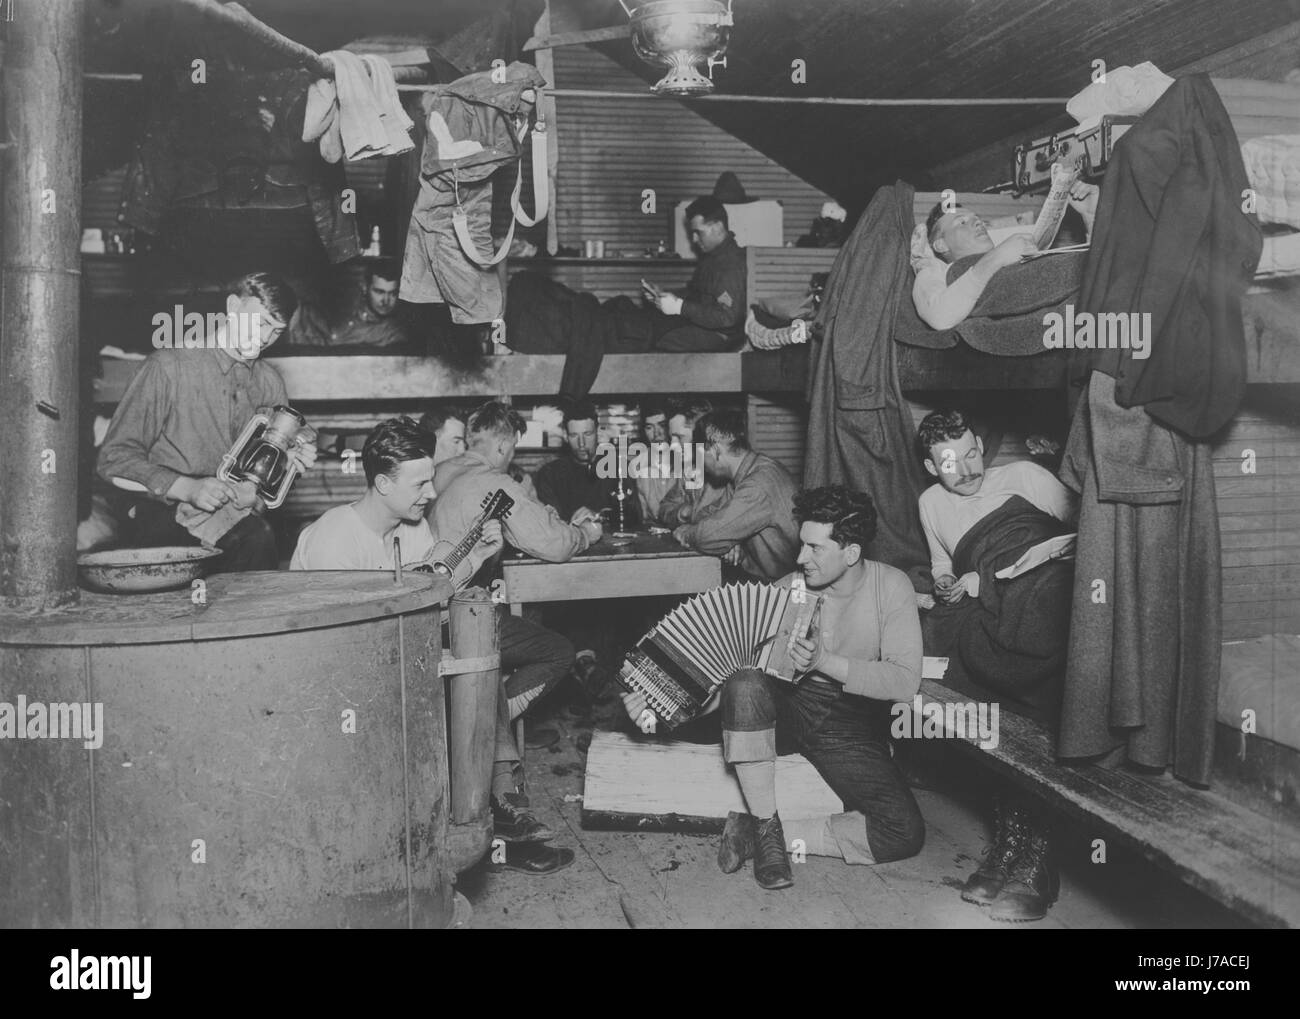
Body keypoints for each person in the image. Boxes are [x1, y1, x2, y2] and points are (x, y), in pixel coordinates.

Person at [290, 417, 573, 875]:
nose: (432, 492)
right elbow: (342, 647)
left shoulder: (413, 528)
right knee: (472, 686)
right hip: (341, 692)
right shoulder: (334, 539)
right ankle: (494, 825)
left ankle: (490, 825)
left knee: (479, 664)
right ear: (383, 483)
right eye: (420, 483)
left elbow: (431, 603)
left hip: (399, 661)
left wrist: (476, 558)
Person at [622, 486, 926, 890]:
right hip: (786, 709)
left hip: (847, 724)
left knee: (903, 832)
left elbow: (905, 682)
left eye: (815, 548)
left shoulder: (891, 586)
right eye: (802, 545)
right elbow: (731, 684)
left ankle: (758, 833)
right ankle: (767, 829)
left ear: (851, 553)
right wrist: (660, 709)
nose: (801, 558)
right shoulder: (787, 591)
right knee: (746, 680)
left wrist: (824, 661)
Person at [916, 408, 1078, 922]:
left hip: (1042, 584)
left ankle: (1038, 858)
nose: (967, 470)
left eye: (972, 454)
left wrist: (996, 576)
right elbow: (942, 562)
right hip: (986, 601)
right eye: (951, 463)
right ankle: (1012, 841)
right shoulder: (931, 503)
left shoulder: (1026, 476)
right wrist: (947, 580)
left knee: (1045, 611)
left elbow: (1087, 537)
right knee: (956, 648)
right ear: (930, 467)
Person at [97, 271, 318, 571]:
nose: (265, 338)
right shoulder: (168, 367)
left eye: (276, 331)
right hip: (163, 517)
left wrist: (290, 461)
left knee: (258, 541)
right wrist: (186, 488)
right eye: (260, 323)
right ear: (233, 307)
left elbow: (270, 470)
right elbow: (113, 460)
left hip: (237, 522)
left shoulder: (270, 383)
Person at [433, 401, 597, 720]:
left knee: (528, 614)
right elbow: (555, 544)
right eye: (512, 449)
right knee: (559, 652)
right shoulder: (496, 482)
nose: (511, 457)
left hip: (429, 609)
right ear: (503, 445)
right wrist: (586, 533)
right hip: (458, 616)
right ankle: (487, 726)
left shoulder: (440, 471)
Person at [912, 183, 1099, 331]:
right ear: (941, 245)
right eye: (961, 222)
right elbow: (939, 316)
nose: (977, 222)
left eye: (977, 219)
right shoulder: (936, 271)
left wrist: (1092, 219)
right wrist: (997, 257)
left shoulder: (1015, 254)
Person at [661, 408, 800, 581]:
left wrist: (685, 533)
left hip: (784, 586)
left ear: (715, 450)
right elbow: (711, 516)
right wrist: (725, 536)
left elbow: (708, 536)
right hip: (768, 580)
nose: (701, 464)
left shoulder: (757, 484)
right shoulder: (746, 473)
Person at [641, 196, 747, 352]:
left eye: (698, 232)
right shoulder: (711, 258)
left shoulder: (731, 263)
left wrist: (679, 307)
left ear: (718, 227)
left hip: (722, 336)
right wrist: (663, 295)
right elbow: (694, 294)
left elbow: (726, 318)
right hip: (704, 326)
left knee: (655, 339)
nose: (694, 239)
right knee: (646, 325)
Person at [534, 399, 626, 526]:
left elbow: (634, 513)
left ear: (598, 433)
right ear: (565, 436)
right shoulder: (550, 474)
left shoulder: (618, 468)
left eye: (587, 434)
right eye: (574, 435)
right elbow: (547, 521)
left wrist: (600, 516)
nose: (581, 443)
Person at [287, 258, 410, 348]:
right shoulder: (344, 301)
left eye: (393, 293)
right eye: (379, 292)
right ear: (365, 287)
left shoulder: (393, 334)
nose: (386, 301)